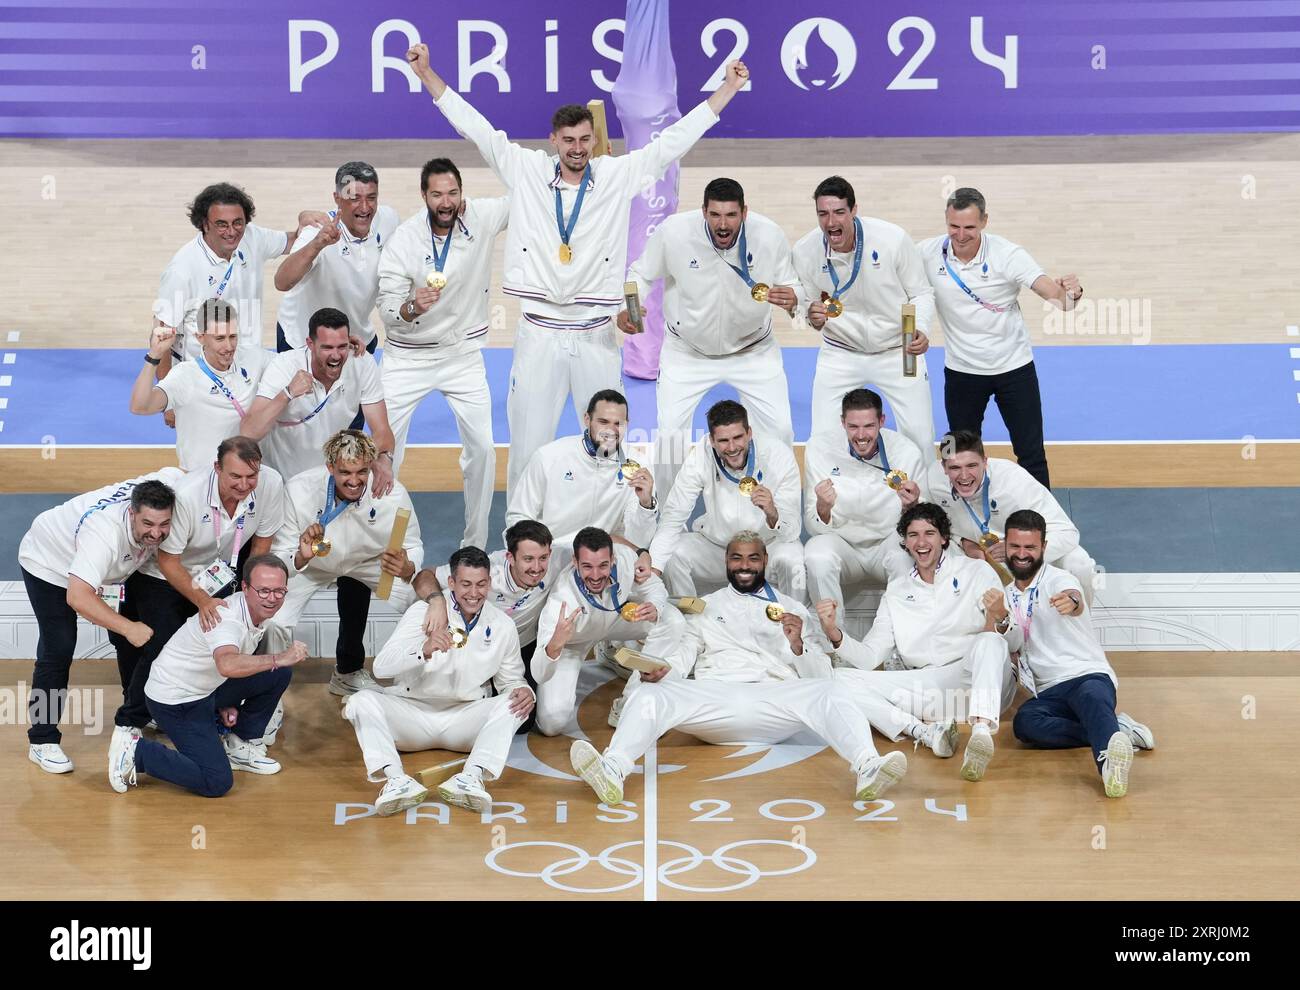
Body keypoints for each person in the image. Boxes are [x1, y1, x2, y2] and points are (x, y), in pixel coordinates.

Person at [405, 43, 752, 502]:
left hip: (595, 336)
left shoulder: (614, 176)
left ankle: (606, 531)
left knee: (608, 444)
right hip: (539, 335)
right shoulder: (525, 170)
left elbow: (672, 142)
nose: (576, 149)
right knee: (529, 448)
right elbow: (477, 129)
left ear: (594, 140)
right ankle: (522, 535)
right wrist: (428, 75)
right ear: (554, 141)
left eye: (584, 140)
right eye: (568, 140)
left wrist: (727, 89)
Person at [569, 533, 907, 805]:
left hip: (774, 700)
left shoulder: (793, 610)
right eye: (736, 558)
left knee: (833, 689)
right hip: (714, 699)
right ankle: (612, 769)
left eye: (753, 558)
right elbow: (684, 654)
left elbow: (818, 676)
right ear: (726, 563)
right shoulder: (705, 607)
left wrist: (797, 645)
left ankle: (867, 766)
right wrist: (663, 672)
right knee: (648, 692)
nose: (744, 565)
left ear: (766, 562)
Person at [620, 177, 798, 494]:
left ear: (744, 212)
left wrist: (794, 299)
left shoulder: (769, 236)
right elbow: (641, 273)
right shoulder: (674, 234)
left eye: (731, 215)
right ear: (704, 211)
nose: (723, 224)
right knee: (671, 436)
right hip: (686, 352)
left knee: (781, 429)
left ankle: (779, 512)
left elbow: (792, 284)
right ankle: (661, 518)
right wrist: (629, 308)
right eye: (715, 215)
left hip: (753, 350)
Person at [815, 502, 1016, 782]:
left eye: (929, 533)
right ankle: (925, 732)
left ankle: (980, 736)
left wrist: (1001, 617)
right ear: (905, 543)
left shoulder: (976, 572)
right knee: (840, 679)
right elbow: (870, 657)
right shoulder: (896, 591)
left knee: (991, 642)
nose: (921, 542)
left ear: (944, 538)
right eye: (913, 535)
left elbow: (1013, 639)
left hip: (980, 683)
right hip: (931, 692)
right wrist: (834, 633)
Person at [376, 157, 509, 548]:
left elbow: (531, 193)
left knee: (483, 450)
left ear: (461, 193)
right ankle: (382, 541)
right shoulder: (404, 239)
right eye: (437, 194)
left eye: (452, 193)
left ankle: (475, 543)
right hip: (406, 357)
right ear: (424, 196)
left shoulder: (481, 217)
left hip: (462, 356)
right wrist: (412, 306)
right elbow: (387, 308)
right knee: (385, 453)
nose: (446, 201)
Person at [343, 547, 535, 817]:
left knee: (514, 704)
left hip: (465, 721)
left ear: (489, 583)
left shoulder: (502, 625)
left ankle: (471, 777)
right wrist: (423, 649)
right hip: (412, 715)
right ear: (451, 583)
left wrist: (523, 690)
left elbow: (510, 679)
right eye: (466, 584)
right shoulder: (422, 611)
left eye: (481, 584)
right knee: (360, 701)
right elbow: (381, 667)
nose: (474, 593)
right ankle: (395, 781)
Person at [117, 437, 285, 734]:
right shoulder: (187, 495)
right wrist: (203, 602)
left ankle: (213, 711)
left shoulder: (271, 483)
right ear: (217, 468)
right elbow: (169, 561)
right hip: (164, 575)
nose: (245, 485)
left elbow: (262, 543)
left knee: (227, 641)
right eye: (235, 476)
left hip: (216, 571)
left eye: (251, 476)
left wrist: (248, 591)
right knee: (161, 644)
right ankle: (130, 722)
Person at [918, 187, 1084, 488]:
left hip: (1014, 369)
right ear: (946, 220)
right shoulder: (926, 253)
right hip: (962, 371)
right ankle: (958, 514)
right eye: (954, 226)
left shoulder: (1008, 254)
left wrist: (1072, 293)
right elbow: (897, 284)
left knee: (1031, 452)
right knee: (955, 451)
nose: (961, 234)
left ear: (984, 221)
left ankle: (1040, 523)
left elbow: (1060, 301)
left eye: (969, 227)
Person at [109, 555, 308, 797]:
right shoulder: (228, 618)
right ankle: (136, 751)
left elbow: (230, 667)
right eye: (264, 590)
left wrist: (229, 702)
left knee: (277, 675)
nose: (272, 598)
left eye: (279, 591)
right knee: (216, 782)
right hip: (175, 700)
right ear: (245, 588)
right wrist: (278, 658)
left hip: (205, 690)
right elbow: (226, 664)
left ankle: (239, 745)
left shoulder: (255, 611)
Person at [19, 475, 178, 771]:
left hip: (114, 570)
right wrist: (128, 627)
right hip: (50, 562)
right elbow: (78, 597)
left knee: (129, 636)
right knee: (59, 648)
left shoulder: (175, 483)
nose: (156, 534)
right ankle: (42, 739)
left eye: (163, 525)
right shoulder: (104, 535)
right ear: (132, 513)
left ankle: (137, 712)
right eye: (148, 524)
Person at [995, 510, 1154, 798]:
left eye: (1030, 547)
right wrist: (999, 620)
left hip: (1086, 677)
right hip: (1049, 692)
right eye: (1015, 546)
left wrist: (1071, 601)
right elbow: (1014, 641)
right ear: (1005, 546)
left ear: (1043, 548)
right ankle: (1117, 730)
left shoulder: (1059, 578)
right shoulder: (1005, 594)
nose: (1021, 554)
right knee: (1025, 724)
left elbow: (1074, 596)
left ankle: (1110, 769)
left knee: (1092, 698)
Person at [270, 429, 423, 695]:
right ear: (330, 467)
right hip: (312, 565)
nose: (354, 481)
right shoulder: (298, 489)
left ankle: (420, 684)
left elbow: (412, 544)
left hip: (369, 564)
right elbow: (280, 553)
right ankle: (267, 696)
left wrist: (408, 567)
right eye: (345, 473)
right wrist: (301, 556)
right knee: (272, 619)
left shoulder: (391, 493)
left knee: (424, 607)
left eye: (362, 472)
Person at [792, 175, 936, 455]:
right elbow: (807, 305)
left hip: (898, 349)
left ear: (854, 210)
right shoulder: (805, 251)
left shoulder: (892, 239)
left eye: (839, 213)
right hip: (840, 353)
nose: (831, 222)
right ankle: (820, 501)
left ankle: (925, 499)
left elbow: (921, 292)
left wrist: (921, 328)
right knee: (822, 440)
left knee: (920, 438)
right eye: (823, 214)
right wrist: (811, 316)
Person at [532, 527, 685, 736]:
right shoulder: (561, 601)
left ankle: (630, 699)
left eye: (603, 565)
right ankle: (606, 651)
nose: (596, 575)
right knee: (552, 723)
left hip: (615, 621)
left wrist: (656, 605)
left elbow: (655, 587)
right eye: (587, 566)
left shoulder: (625, 559)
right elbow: (538, 672)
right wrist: (555, 645)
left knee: (672, 620)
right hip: (572, 642)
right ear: (574, 562)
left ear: (612, 559)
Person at [153, 182, 329, 361]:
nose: (231, 232)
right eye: (222, 224)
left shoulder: (252, 237)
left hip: (248, 368)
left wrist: (304, 221)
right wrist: (166, 387)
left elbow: (293, 241)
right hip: (201, 375)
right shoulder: (182, 270)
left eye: (238, 223)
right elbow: (162, 332)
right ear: (205, 225)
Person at [649, 399, 804, 600]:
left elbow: (792, 531)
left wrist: (773, 513)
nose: (732, 448)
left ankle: (796, 625)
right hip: (718, 549)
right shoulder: (701, 456)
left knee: (793, 560)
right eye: (723, 441)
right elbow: (673, 516)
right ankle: (688, 624)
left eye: (738, 437)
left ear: (749, 433)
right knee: (674, 553)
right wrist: (654, 570)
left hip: (767, 546)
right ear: (711, 440)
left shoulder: (778, 455)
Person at [240, 306, 397, 495]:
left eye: (342, 346)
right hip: (282, 485)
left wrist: (383, 457)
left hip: (328, 484)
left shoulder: (363, 363)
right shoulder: (284, 366)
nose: (336, 355)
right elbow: (248, 432)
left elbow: (382, 430)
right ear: (310, 344)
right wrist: (288, 393)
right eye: (327, 347)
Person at [927, 429, 1098, 599]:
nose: (964, 476)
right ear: (943, 467)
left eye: (972, 466)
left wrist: (1016, 549)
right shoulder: (933, 482)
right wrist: (963, 541)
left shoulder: (1015, 483)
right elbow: (928, 525)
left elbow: (1067, 533)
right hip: (976, 555)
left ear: (985, 462)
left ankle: (1080, 621)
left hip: (1023, 553)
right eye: (955, 467)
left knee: (1079, 563)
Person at [426, 519, 560, 732]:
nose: (537, 568)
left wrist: (634, 554)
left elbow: (597, 545)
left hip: (521, 645)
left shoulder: (556, 561)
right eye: (527, 559)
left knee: (522, 719)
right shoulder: (486, 572)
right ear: (510, 557)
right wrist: (436, 601)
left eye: (543, 558)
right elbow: (425, 576)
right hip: (481, 645)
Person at [803, 388, 924, 612]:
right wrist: (823, 508)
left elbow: (922, 526)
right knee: (816, 554)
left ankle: (907, 639)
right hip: (842, 544)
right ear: (842, 423)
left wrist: (911, 507)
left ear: (882, 421)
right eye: (853, 426)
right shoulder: (819, 449)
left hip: (887, 542)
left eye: (869, 426)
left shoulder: (906, 452)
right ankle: (831, 638)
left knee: (909, 554)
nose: (861, 435)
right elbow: (813, 527)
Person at [506, 390, 657, 554]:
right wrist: (534, 556)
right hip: (552, 554)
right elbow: (519, 516)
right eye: (603, 422)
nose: (611, 430)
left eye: (618, 423)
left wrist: (646, 505)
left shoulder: (638, 466)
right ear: (587, 419)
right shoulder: (549, 457)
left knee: (652, 580)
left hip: (605, 560)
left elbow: (639, 541)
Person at [274, 161, 401, 356]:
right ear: (337, 198)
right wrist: (317, 244)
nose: (365, 207)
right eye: (355, 198)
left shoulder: (388, 219)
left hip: (356, 338)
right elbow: (281, 282)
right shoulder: (317, 230)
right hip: (303, 341)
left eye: (371, 198)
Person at [129, 299, 269, 471]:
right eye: (219, 338)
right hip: (200, 482)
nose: (229, 346)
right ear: (200, 337)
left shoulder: (254, 358)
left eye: (233, 336)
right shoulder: (185, 376)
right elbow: (139, 406)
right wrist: (154, 355)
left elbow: (292, 364)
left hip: (247, 477)